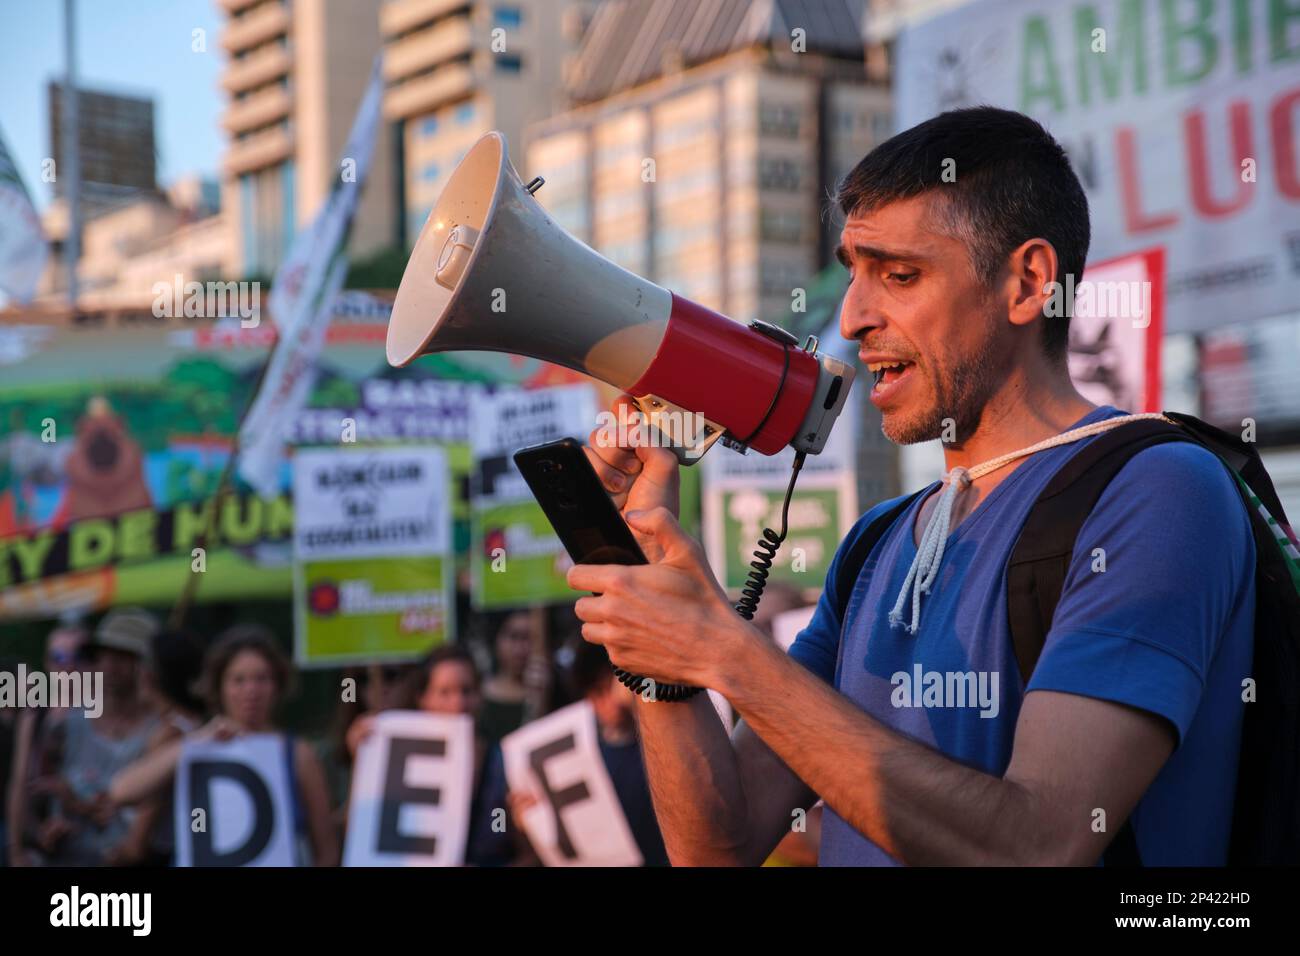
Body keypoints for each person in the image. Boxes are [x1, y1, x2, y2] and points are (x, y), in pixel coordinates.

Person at [570, 107, 1256, 866]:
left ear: (1029, 282)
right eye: (855, 274)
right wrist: (656, 612)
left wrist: (726, 653)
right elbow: (719, 845)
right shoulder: (877, 544)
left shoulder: (1157, 488)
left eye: (899, 275)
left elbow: (1041, 845)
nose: (856, 317)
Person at [110, 625, 339, 867]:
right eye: (238, 680)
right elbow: (122, 791)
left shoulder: (297, 753)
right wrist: (192, 744)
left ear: (277, 685)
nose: (251, 691)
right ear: (220, 686)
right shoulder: (197, 744)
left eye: (262, 679)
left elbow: (326, 849)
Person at [346, 645, 528, 866]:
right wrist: (366, 761)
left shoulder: (505, 764)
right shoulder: (397, 763)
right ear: (423, 698)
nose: (458, 703)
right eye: (445, 692)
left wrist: (525, 821)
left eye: (467, 690)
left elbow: (527, 854)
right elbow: (367, 836)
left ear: (480, 695)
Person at [40, 608, 159, 866]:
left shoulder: (162, 733)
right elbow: (42, 791)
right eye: (104, 654)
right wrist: (46, 828)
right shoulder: (70, 723)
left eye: (123, 656)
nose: (110, 665)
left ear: (147, 663)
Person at [6, 623, 89, 866]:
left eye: (78, 657)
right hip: (38, 843)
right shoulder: (35, 714)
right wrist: (15, 850)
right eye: (60, 657)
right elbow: (19, 782)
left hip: (88, 842)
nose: (69, 666)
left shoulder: (101, 716)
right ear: (47, 662)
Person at [477, 609, 557, 745]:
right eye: (513, 637)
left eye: (530, 638)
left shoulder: (554, 692)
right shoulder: (477, 695)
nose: (521, 648)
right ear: (496, 639)